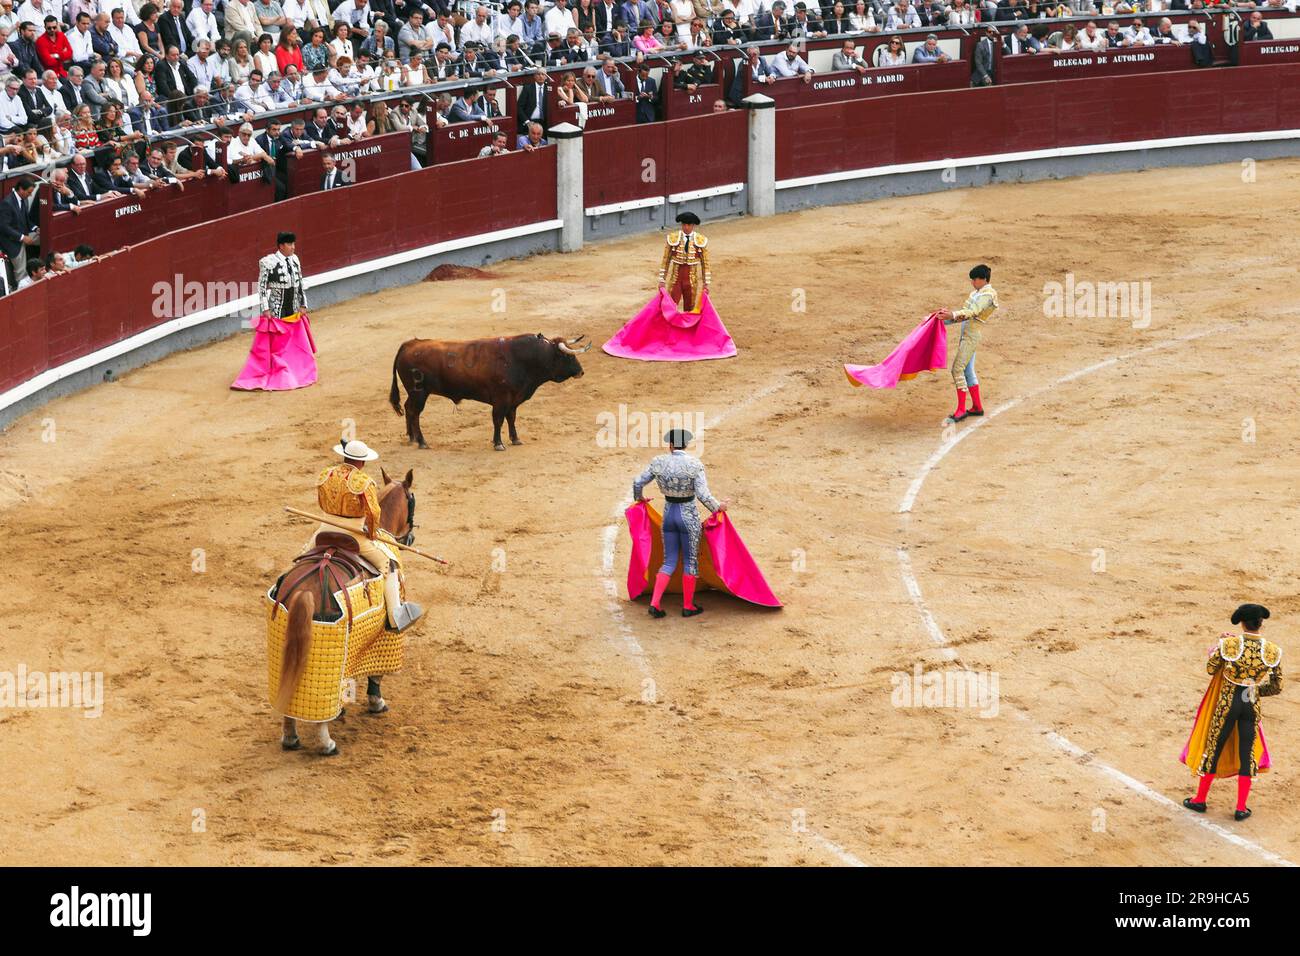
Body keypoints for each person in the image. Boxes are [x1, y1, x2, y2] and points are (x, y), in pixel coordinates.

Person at [305, 438, 422, 632]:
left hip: (324, 528)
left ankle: (278, 589)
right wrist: (372, 532)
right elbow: (374, 513)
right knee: (389, 565)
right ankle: (395, 619)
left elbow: (321, 502)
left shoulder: (326, 474)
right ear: (363, 462)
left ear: (344, 457)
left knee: (301, 557)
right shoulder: (364, 482)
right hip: (354, 535)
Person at [1182, 603, 1283, 821]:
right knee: (1246, 753)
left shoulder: (1229, 645)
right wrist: (1254, 689)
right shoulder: (1272, 650)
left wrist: (1220, 645)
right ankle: (1240, 808)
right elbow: (1277, 686)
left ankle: (1200, 800)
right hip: (1251, 703)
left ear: (1242, 623)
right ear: (1261, 623)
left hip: (1228, 702)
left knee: (1214, 748)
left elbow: (1211, 668)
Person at [632, 428, 726, 618]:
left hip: (669, 514)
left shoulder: (659, 462)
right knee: (690, 561)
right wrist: (718, 507)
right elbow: (703, 495)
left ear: (671, 445)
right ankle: (688, 606)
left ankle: (655, 604)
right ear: (686, 444)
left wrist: (639, 499)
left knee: (669, 561)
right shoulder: (694, 464)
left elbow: (637, 482)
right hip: (688, 515)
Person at [231, 231, 318, 391]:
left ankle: (294, 371)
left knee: (294, 344)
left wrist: (303, 304)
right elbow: (262, 288)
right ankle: (281, 372)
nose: (293, 247)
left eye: (293, 244)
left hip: (293, 309)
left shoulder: (295, 259)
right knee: (279, 346)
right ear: (281, 246)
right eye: (290, 244)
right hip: (276, 310)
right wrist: (265, 309)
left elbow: (299, 284)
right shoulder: (268, 262)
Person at [936, 263, 997, 424]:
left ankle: (961, 410)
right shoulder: (977, 293)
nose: (972, 282)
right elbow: (963, 314)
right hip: (968, 335)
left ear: (983, 279)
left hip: (971, 337)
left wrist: (952, 314)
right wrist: (942, 320)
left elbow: (972, 313)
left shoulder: (988, 295)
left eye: (974, 279)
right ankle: (977, 407)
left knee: (957, 369)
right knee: (968, 371)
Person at [659, 210, 710, 313]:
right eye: (684, 224)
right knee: (671, 306)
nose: (686, 227)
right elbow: (666, 260)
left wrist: (706, 283)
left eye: (689, 225)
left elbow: (705, 263)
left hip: (691, 280)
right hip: (675, 279)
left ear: (693, 226)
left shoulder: (700, 240)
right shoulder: (673, 238)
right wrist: (662, 279)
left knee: (690, 308)